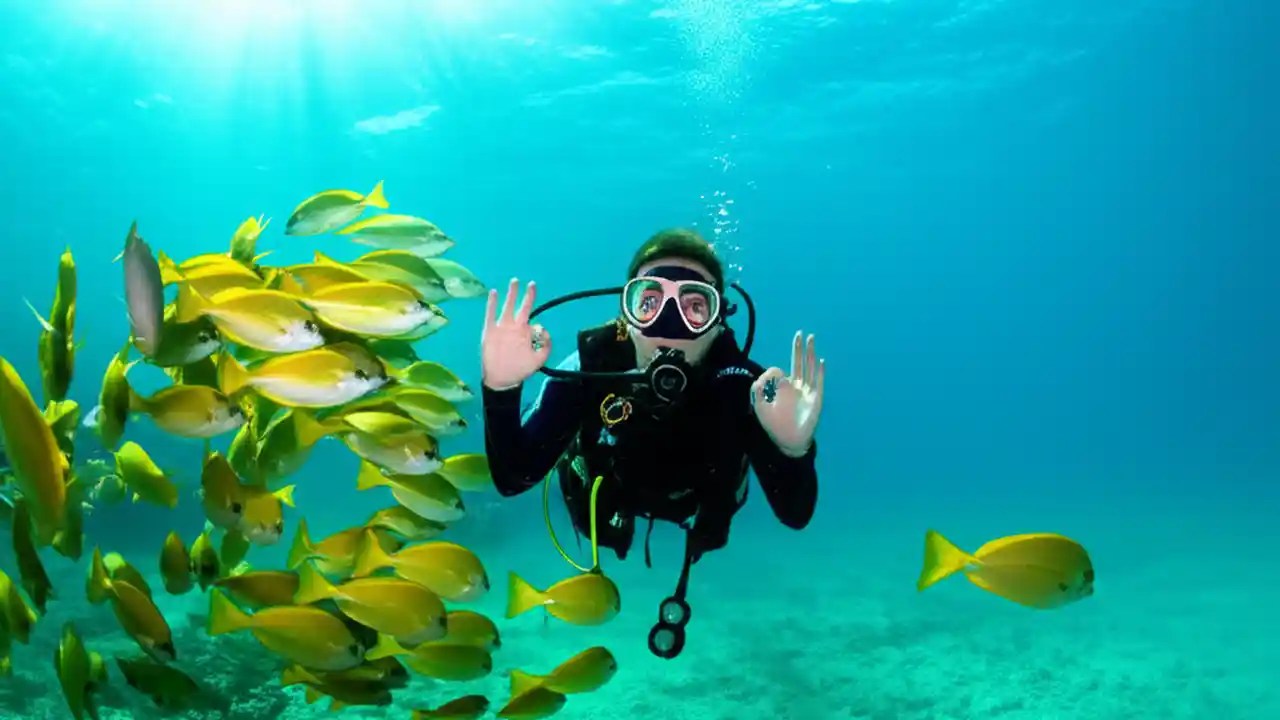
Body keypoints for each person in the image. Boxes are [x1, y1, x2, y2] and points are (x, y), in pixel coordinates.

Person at [480, 228, 825, 657]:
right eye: (649, 302)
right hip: (611, 495)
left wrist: (794, 449)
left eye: (696, 306)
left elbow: (795, 514)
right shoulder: (592, 368)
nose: (670, 324)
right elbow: (512, 477)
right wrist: (500, 388)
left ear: (719, 322)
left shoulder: (747, 390)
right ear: (627, 316)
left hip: (698, 503)